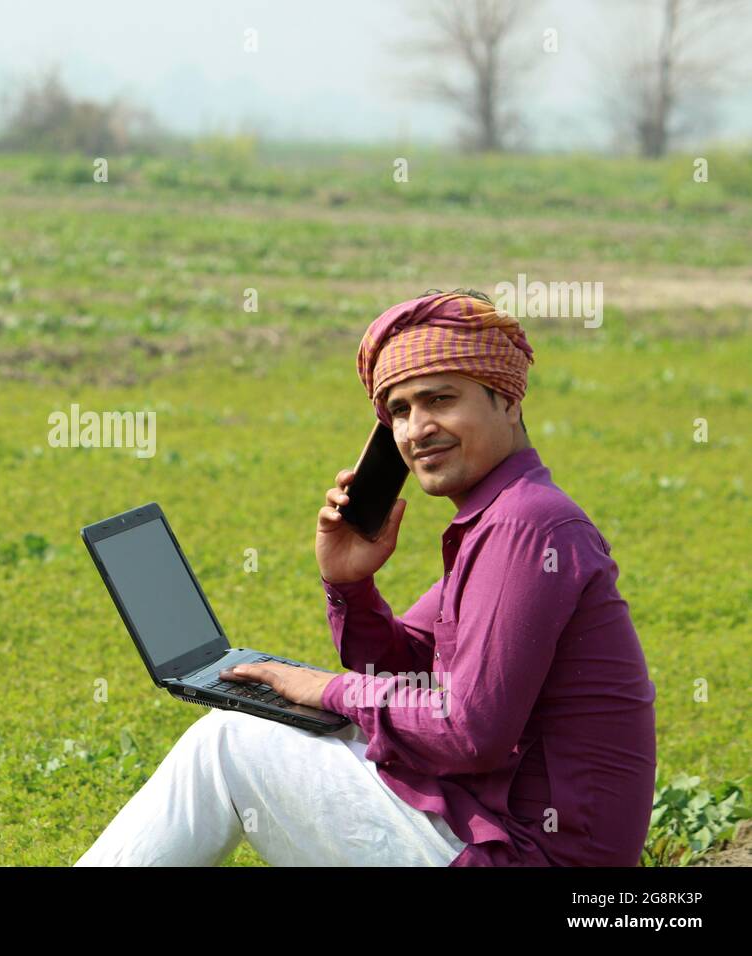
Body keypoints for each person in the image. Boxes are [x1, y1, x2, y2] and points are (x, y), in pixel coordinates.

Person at [74, 290, 656, 866]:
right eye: (398, 412)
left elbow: (469, 730)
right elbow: (399, 662)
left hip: (525, 853)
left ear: (506, 401)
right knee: (278, 729)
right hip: (491, 826)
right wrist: (350, 584)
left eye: (439, 400)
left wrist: (328, 690)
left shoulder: (527, 526)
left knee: (227, 742)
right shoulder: (497, 518)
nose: (416, 430)